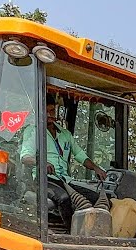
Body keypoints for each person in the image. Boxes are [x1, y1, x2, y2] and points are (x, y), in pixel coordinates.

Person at [20, 93, 110, 227]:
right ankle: (72, 234)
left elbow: (80, 154)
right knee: (64, 199)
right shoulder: (33, 131)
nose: (50, 114)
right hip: (44, 180)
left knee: (98, 198)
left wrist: (96, 168)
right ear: (39, 112)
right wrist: (41, 163)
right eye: (46, 111)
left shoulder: (65, 134)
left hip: (65, 180)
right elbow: (25, 157)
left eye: (52, 110)